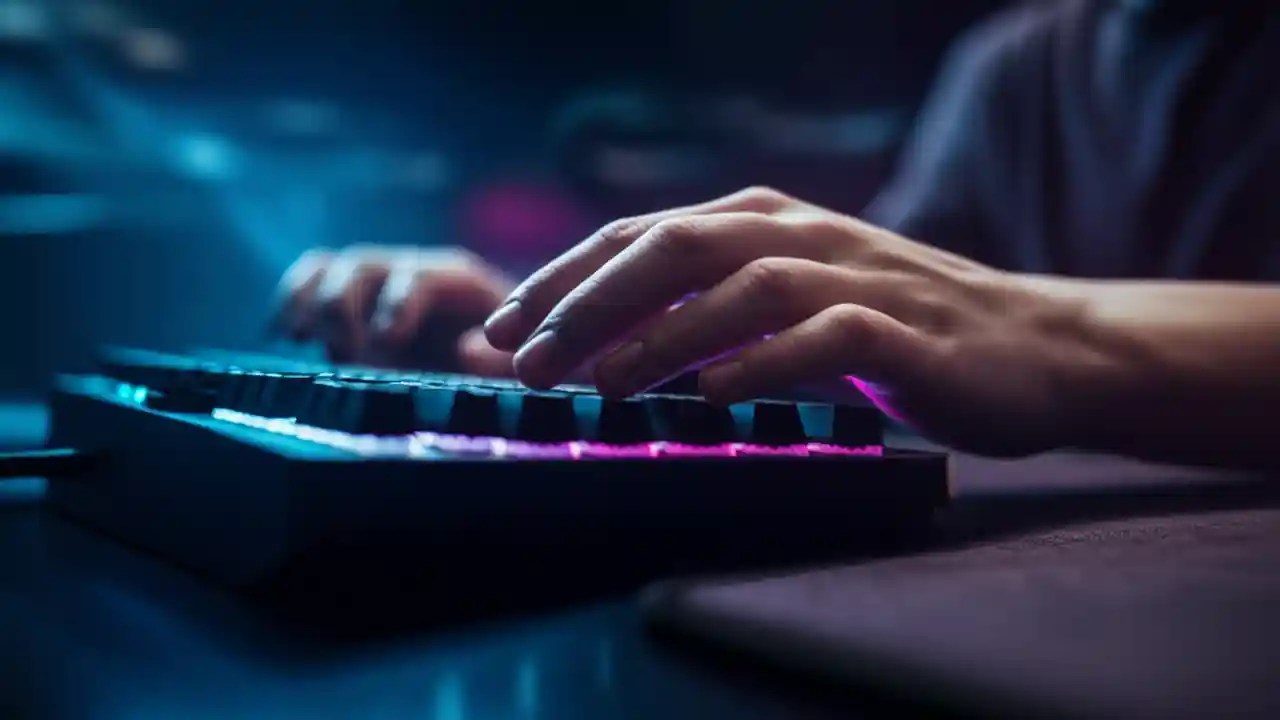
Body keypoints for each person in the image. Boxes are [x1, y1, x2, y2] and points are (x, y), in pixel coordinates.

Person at [272, 0, 1280, 468]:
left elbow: (984, 325)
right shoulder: (1016, 61)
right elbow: (854, 335)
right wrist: (526, 330)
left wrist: (1054, 338)